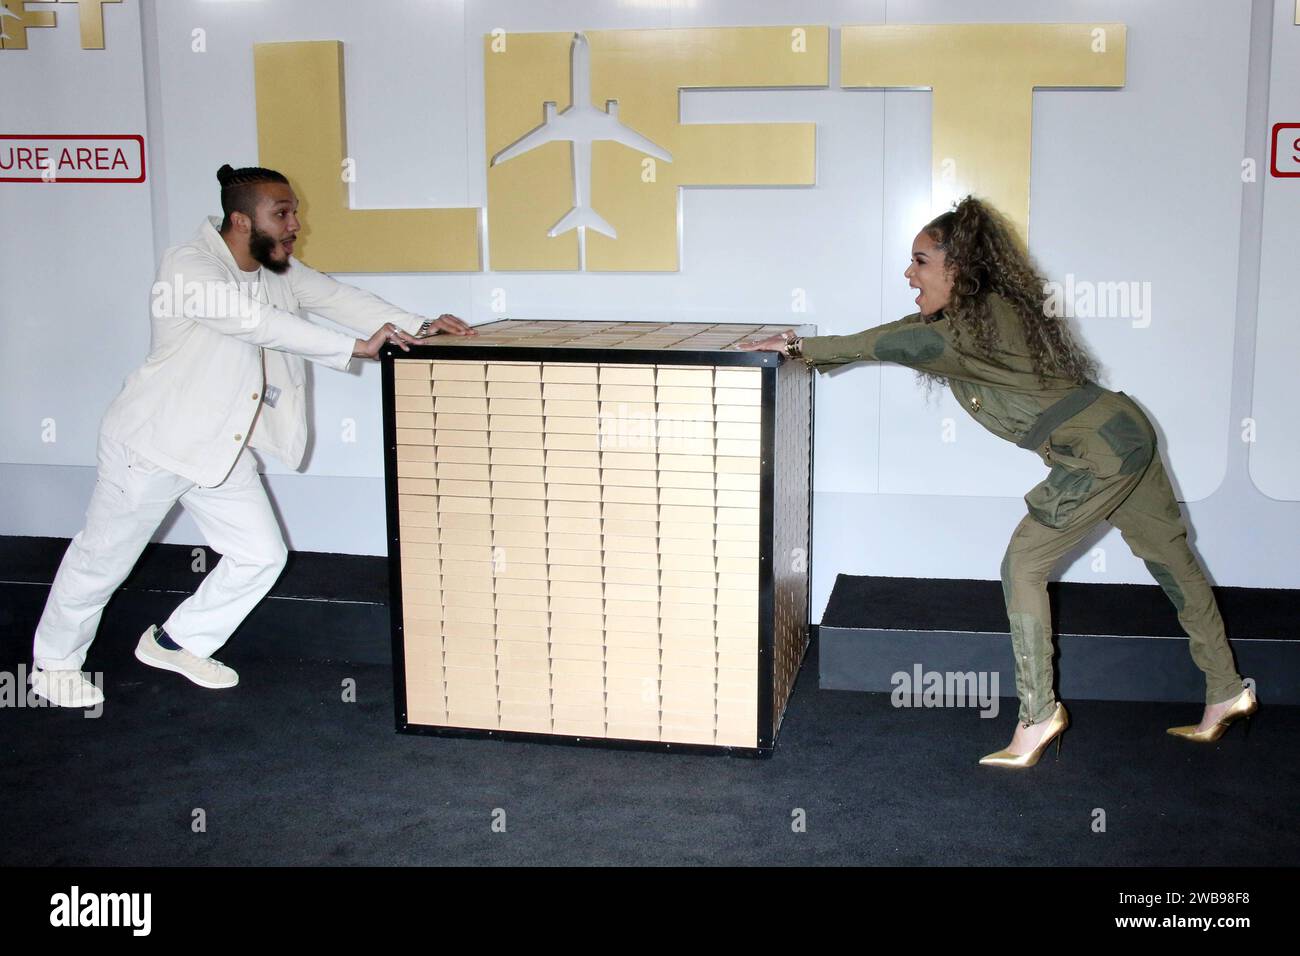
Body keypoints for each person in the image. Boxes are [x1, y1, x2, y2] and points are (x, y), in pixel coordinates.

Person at [741, 195, 1256, 768]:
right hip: (1121, 431)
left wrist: (794, 347)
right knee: (1175, 563)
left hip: (1100, 452)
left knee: (1025, 564)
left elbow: (883, 343)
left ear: (957, 265)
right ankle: (1228, 691)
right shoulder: (979, 317)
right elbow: (899, 333)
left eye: (920, 261)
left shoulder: (964, 332)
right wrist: (806, 351)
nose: (908, 274)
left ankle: (1039, 716)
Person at [29, 164, 476, 708]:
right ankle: (53, 665)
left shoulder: (276, 269)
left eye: (295, 213)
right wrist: (354, 348)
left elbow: (338, 297)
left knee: (260, 554)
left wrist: (422, 324)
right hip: (154, 443)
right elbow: (250, 321)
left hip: (221, 445)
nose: (295, 225)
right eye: (282, 214)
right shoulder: (188, 266)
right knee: (102, 558)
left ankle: (176, 641)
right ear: (241, 220)